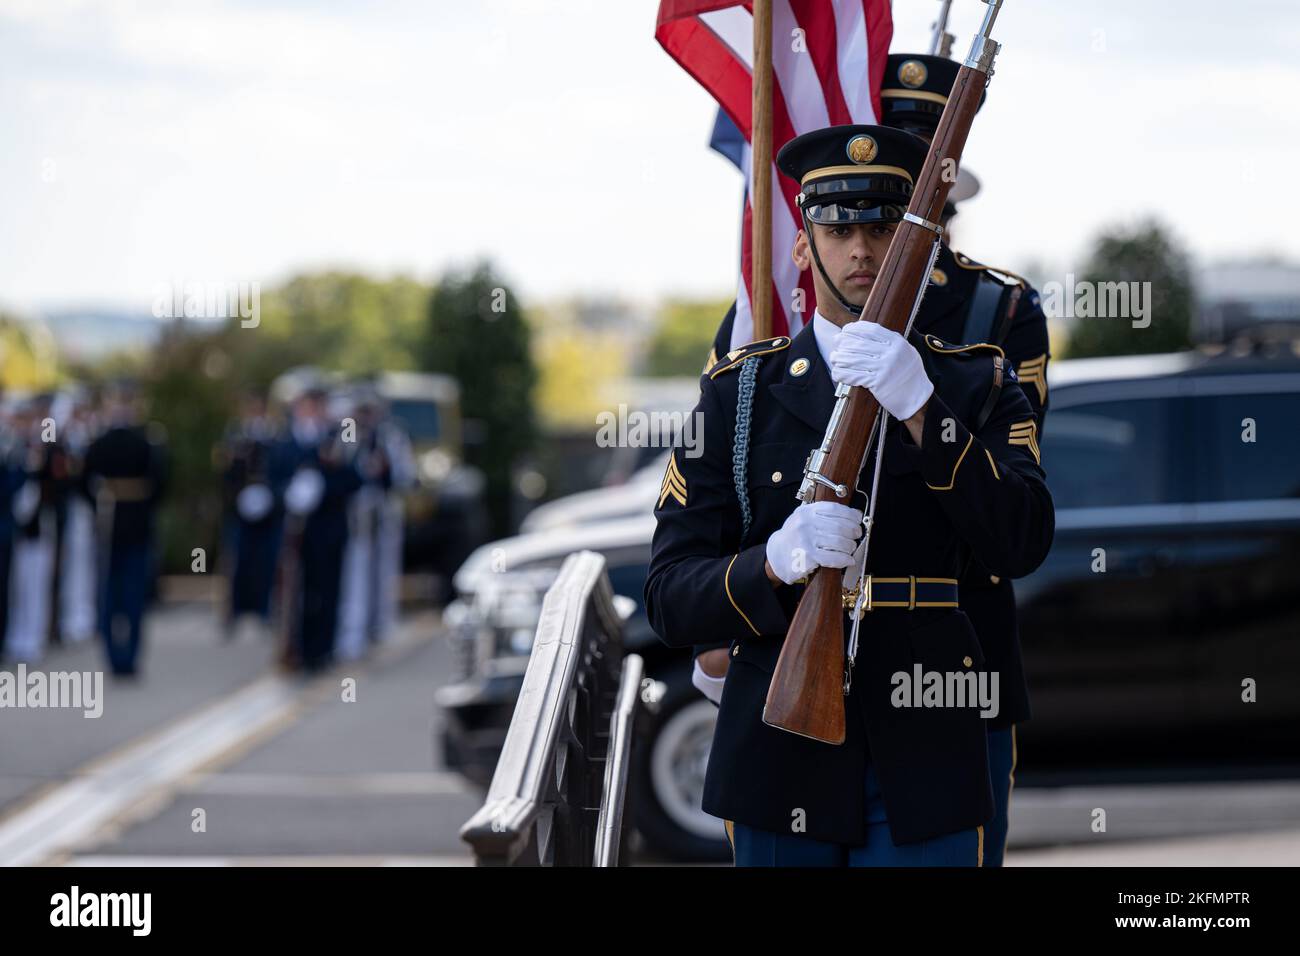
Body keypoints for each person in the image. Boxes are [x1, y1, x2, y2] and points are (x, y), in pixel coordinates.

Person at [644, 124, 1054, 866]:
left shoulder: (974, 383)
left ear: (918, 244)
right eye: (837, 230)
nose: (861, 250)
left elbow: (1021, 539)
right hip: (779, 745)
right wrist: (772, 561)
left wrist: (921, 408)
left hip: (927, 740)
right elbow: (670, 594)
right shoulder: (739, 395)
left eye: (882, 227)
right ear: (803, 247)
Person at [82, 381, 168, 678]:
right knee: (121, 595)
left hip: (117, 523)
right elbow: (160, 484)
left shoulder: (103, 443)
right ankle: (124, 658)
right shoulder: (146, 441)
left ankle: (120, 658)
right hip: (128, 523)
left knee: (121, 594)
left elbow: (85, 484)